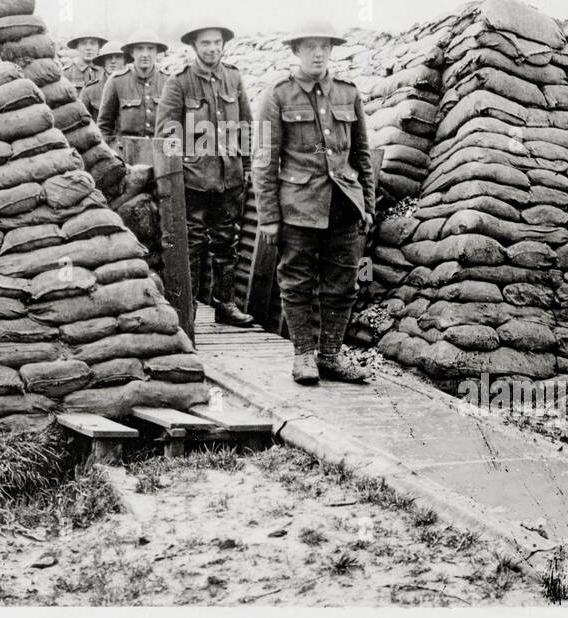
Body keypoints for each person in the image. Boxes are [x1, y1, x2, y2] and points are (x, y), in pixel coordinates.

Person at [252, 22, 375, 384]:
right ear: (296, 51)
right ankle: (303, 356)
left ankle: (331, 356)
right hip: (299, 206)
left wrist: (366, 204)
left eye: (325, 47)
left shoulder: (348, 92)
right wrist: (269, 218)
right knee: (297, 282)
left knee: (343, 284)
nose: (318, 53)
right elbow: (263, 159)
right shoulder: (277, 95)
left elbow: (362, 154)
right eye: (310, 47)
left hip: (343, 205)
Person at [156, 22, 256, 327]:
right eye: (205, 44)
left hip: (229, 178)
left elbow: (246, 126)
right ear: (194, 47)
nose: (212, 49)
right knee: (194, 244)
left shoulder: (234, 78)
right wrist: (184, 165)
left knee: (227, 241)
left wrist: (247, 165)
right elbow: (165, 132)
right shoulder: (180, 82)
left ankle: (225, 304)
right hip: (194, 180)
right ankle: (189, 309)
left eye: (217, 43)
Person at [96, 29, 168, 147]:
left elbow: (177, 125)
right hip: (126, 155)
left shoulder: (168, 81)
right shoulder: (116, 81)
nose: (145, 54)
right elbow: (104, 126)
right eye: (140, 49)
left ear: (157, 52)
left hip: (160, 153)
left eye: (150, 49)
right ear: (131, 52)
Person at [80, 41, 125, 119]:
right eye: (109, 57)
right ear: (103, 62)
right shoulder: (89, 90)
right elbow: (83, 121)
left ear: (125, 61)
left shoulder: (135, 87)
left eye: (118, 57)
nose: (113, 61)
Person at [63, 32, 108, 96]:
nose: (88, 48)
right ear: (77, 47)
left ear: (99, 47)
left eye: (93, 44)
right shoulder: (67, 73)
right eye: (83, 44)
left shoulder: (106, 71)